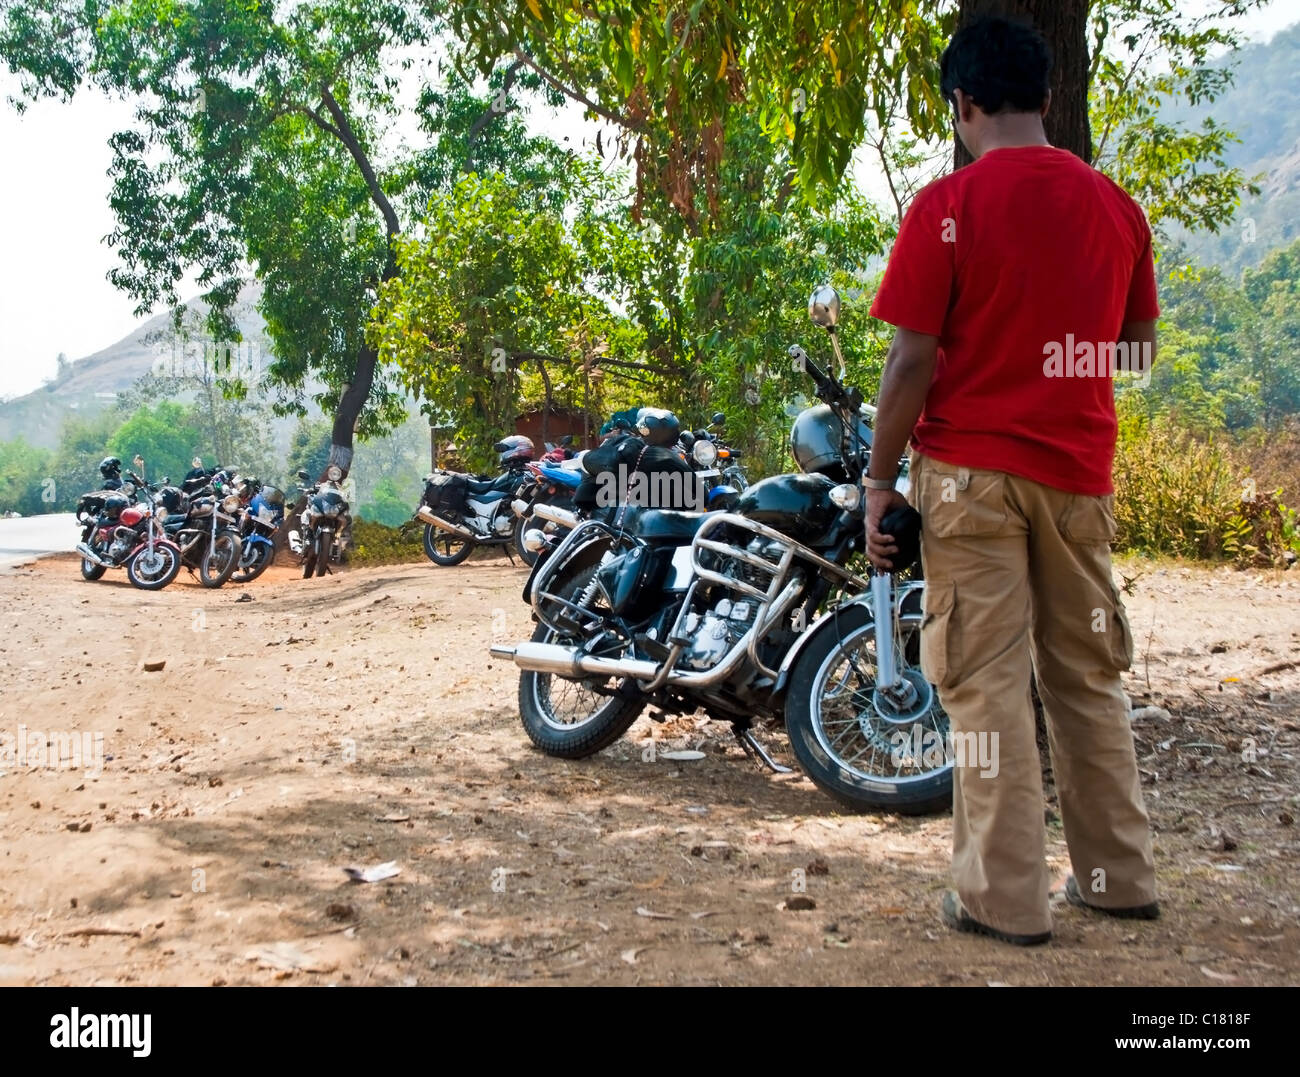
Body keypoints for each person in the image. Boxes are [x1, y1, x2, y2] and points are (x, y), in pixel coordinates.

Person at [864, 15, 1160, 945]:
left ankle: (1004, 896)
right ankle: (1115, 877)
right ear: (1044, 96)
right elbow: (1137, 353)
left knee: (985, 684)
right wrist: (1057, 370)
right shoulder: (1116, 208)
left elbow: (911, 361)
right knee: (1087, 676)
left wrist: (880, 481)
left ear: (963, 104)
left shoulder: (946, 207)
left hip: (968, 481)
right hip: (1078, 477)